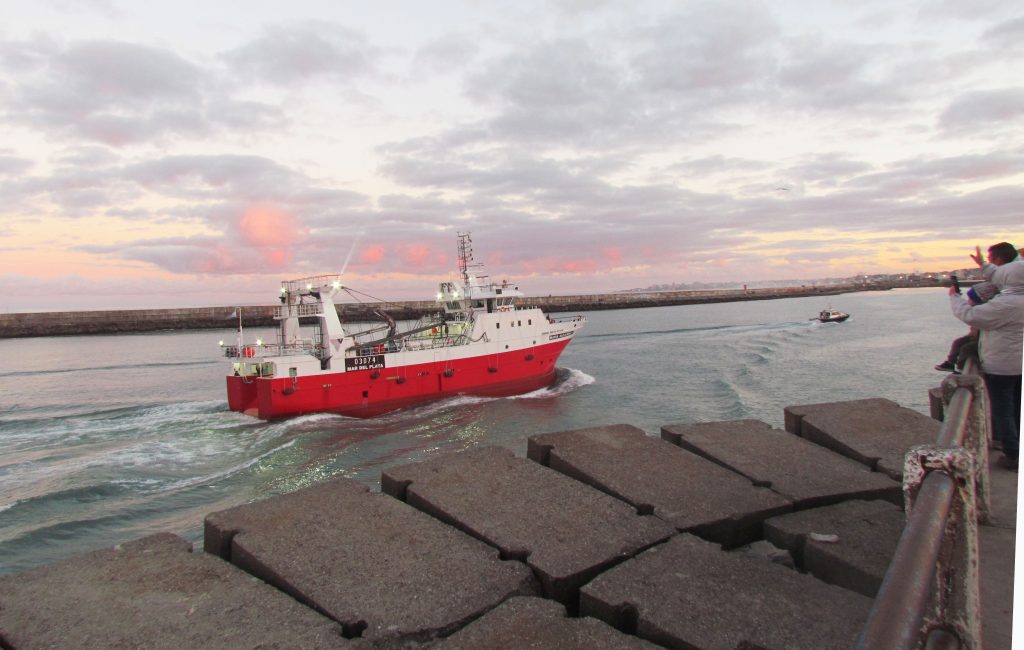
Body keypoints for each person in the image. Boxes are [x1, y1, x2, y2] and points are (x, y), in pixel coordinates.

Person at [949, 251, 1024, 470]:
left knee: (1003, 409)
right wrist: (982, 263)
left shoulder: (1007, 304)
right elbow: (998, 275)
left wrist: (954, 297)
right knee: (1018, 406)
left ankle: (1013, 453)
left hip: (1002, 365)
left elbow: (971, 316)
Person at [934, 281, 997, 372]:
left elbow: (966, 314)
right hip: (978, 337)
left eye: (970, 299)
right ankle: (951, 363)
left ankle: (960, 369)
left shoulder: (983, 313)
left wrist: (954, 296)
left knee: (966, 349)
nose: (968, 301)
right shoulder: (982, 310)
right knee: (958, 342)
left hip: (984, 340)